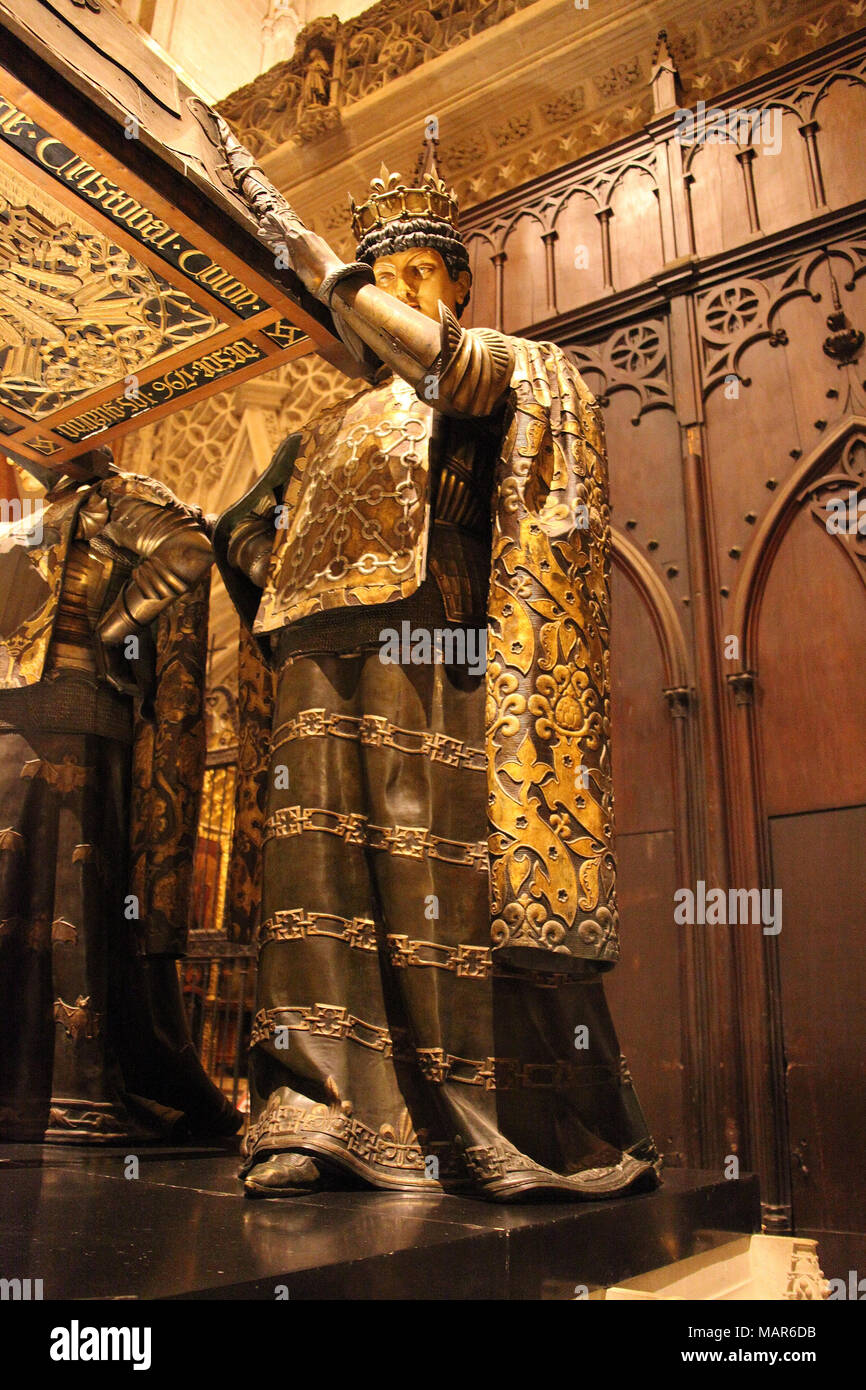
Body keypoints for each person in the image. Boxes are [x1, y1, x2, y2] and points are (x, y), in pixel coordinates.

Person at [215, 134, 658, 1200]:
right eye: (382, 272)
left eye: (420, 270)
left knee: (433, 873)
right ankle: (316, 1111)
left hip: (437, 640)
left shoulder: (515, 364)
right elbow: (244, 531)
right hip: (320, 648)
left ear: (458, 280)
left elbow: (449, 370)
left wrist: (334, 271)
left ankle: (480, 1120)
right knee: (315, 886)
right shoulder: (328, 424)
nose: (394, 292)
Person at [0, 445, 240, 1142]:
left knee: (74, 898)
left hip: (82, 713)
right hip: (11, 717)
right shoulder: (27, 515)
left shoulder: (118, 498)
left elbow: (191, 548)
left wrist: (111, 630)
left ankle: (72, 1094)